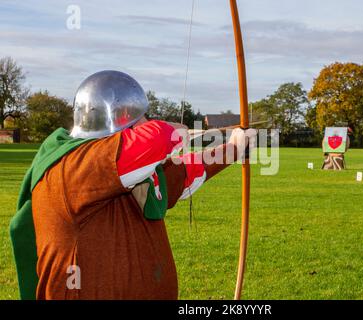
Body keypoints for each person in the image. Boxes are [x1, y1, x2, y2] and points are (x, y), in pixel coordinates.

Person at [10, 70, 256, 300]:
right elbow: (156, 139)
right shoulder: (71, 167)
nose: (147, 121)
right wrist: (175, 131)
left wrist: (233, 149)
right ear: (119, 125)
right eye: (141, 118)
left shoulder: (129, 175)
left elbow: (186, 172)